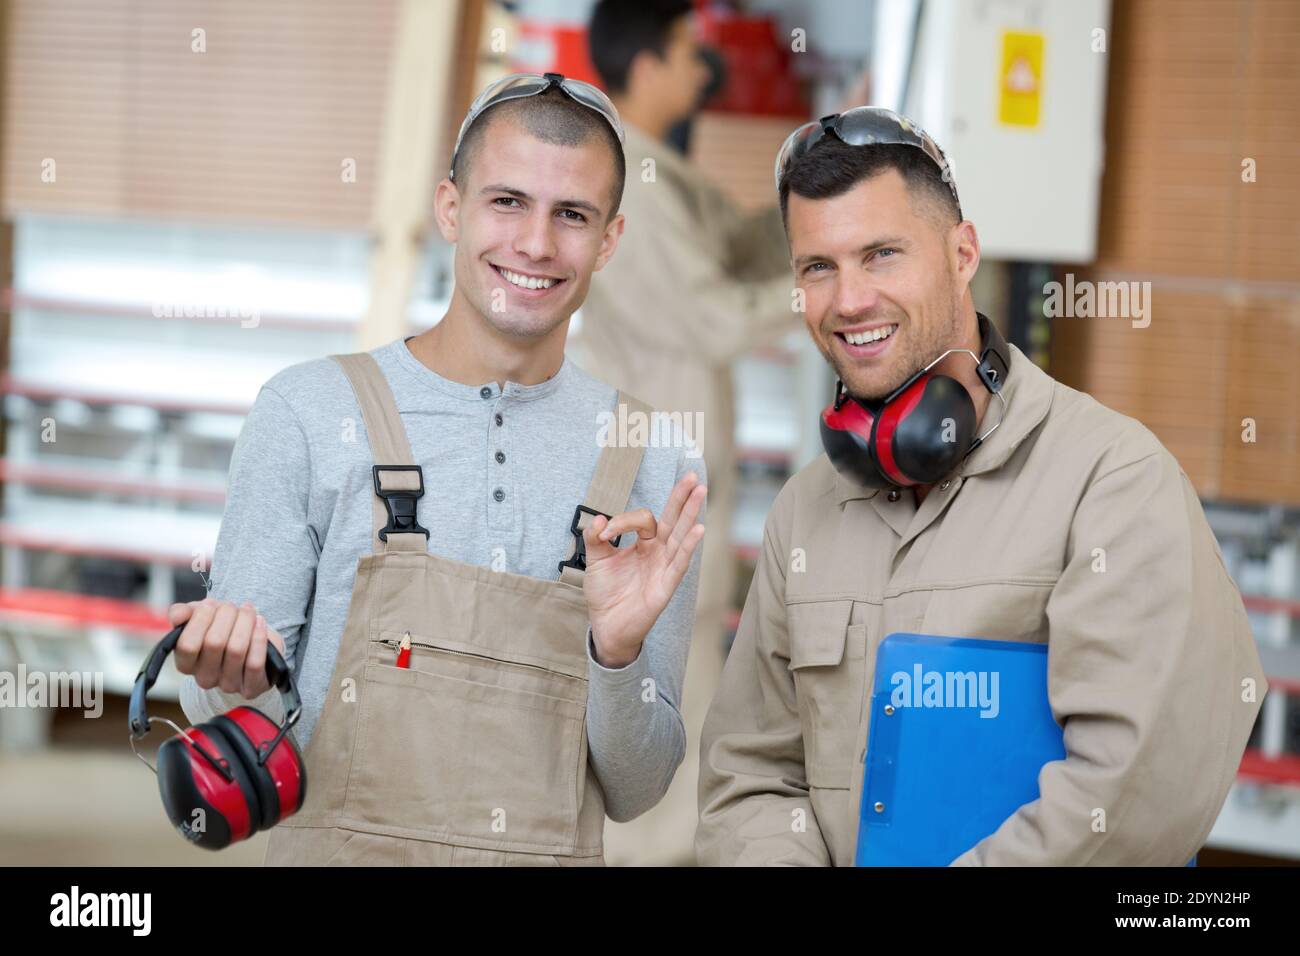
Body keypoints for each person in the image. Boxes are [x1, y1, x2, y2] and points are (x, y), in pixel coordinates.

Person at [696, 107, 1268, 865]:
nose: (849, 299)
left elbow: (1134, 792)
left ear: (962, 253)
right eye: (817, 267)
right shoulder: (804, 512)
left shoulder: (1112, 482)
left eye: (881, 255)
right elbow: (750, 776)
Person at [173, 72, 708, 866]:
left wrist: (618, 656)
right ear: (450, 208)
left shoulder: (654, 457)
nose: (535, 244)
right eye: (507, 201)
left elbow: (638, 790)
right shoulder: (309, 413)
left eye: (571, 214)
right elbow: (230, 718)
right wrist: (221, 672)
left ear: (609, 239)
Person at [575, 0, 801, 866]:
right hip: (649, 475)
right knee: (662, 676)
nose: (699, 66)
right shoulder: (627, 178)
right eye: (684, 49)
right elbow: (715, 317)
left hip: (673, 473)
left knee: (687, 659)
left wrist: (817, 199)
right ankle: (645, 854)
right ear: (645, 62)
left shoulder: (659, 169)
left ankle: (664, 847)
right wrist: (827, 283)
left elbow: (737, 245)